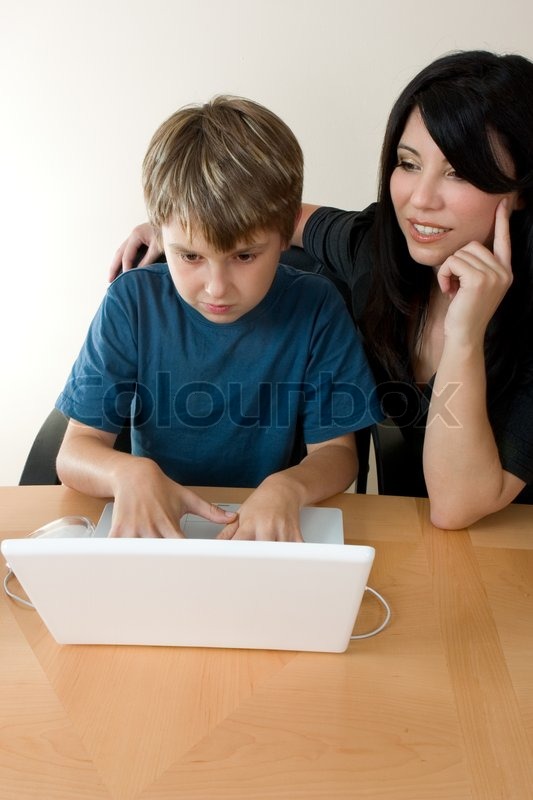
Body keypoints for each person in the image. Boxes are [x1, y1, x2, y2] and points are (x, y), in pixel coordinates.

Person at [110, 50, 533, 530]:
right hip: (409, 531)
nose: (420, 200)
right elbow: (280, 216)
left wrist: (465, 335)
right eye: (408, 163)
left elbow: (455, 507)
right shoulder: (375, 248)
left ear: (521, 189)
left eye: (458, 172)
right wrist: (183, 224)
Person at [56, 95, 381, 539]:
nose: (216, 288)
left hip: (264, 529)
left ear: (286, 233)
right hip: (156, 530)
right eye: (190, 256)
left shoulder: (317, 307)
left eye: (244, 256)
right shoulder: (132, 302)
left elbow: (338, 453)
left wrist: (290, 487)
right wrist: (126, 473)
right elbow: (76, 450)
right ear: (160, 233)